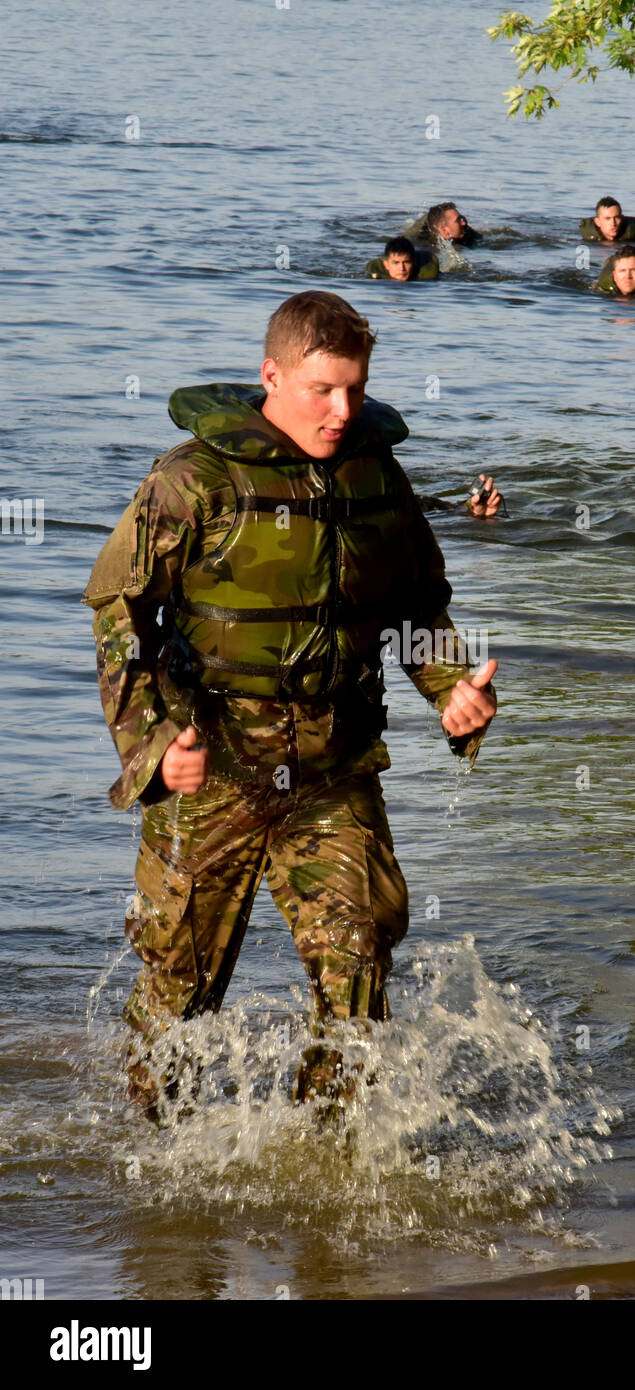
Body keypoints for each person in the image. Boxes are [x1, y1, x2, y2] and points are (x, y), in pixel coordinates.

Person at [83, 290, 498, 1121]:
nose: (342, 410)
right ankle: (152, 1167)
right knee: (179, 989)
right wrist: (157, 741)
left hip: (333, 769)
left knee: (358, 968)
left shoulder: (378, 480)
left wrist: (451, 688)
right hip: (216, 768)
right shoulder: (191, 480)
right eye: (322, 390)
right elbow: (119, 614)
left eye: (355, 388)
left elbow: (417, 610)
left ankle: (328, 1164)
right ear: (271, 375)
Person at [364, 235, 439, 281]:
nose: (402, 268)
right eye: (396, 263)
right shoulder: (375, 275)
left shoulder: (428, 274)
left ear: (414, 262)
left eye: (406, 262)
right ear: (386, 265)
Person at [413, 201, 482, 248]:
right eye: (458, 220)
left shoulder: (467, 232)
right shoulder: (428, 247)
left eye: (462, 218)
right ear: (444, 231)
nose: (464, 223)